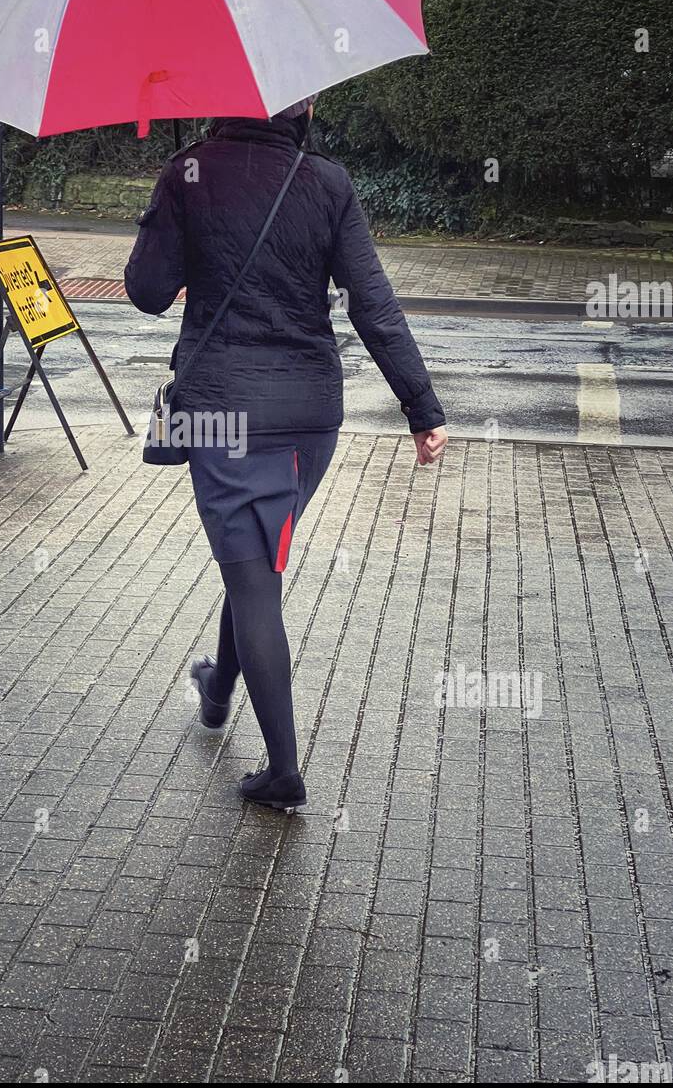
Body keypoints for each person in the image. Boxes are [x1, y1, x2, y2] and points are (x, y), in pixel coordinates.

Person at [124, 97, 447, 812]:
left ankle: (282, 771)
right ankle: (217, 687)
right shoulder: (325, 181)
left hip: (221, 414)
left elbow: (145, 292)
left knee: (253, 576)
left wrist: (171, 209)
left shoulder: (188, 173)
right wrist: (421, 409)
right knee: (255, 566)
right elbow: (373, 304)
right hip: (308, 416)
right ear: (299, 102)